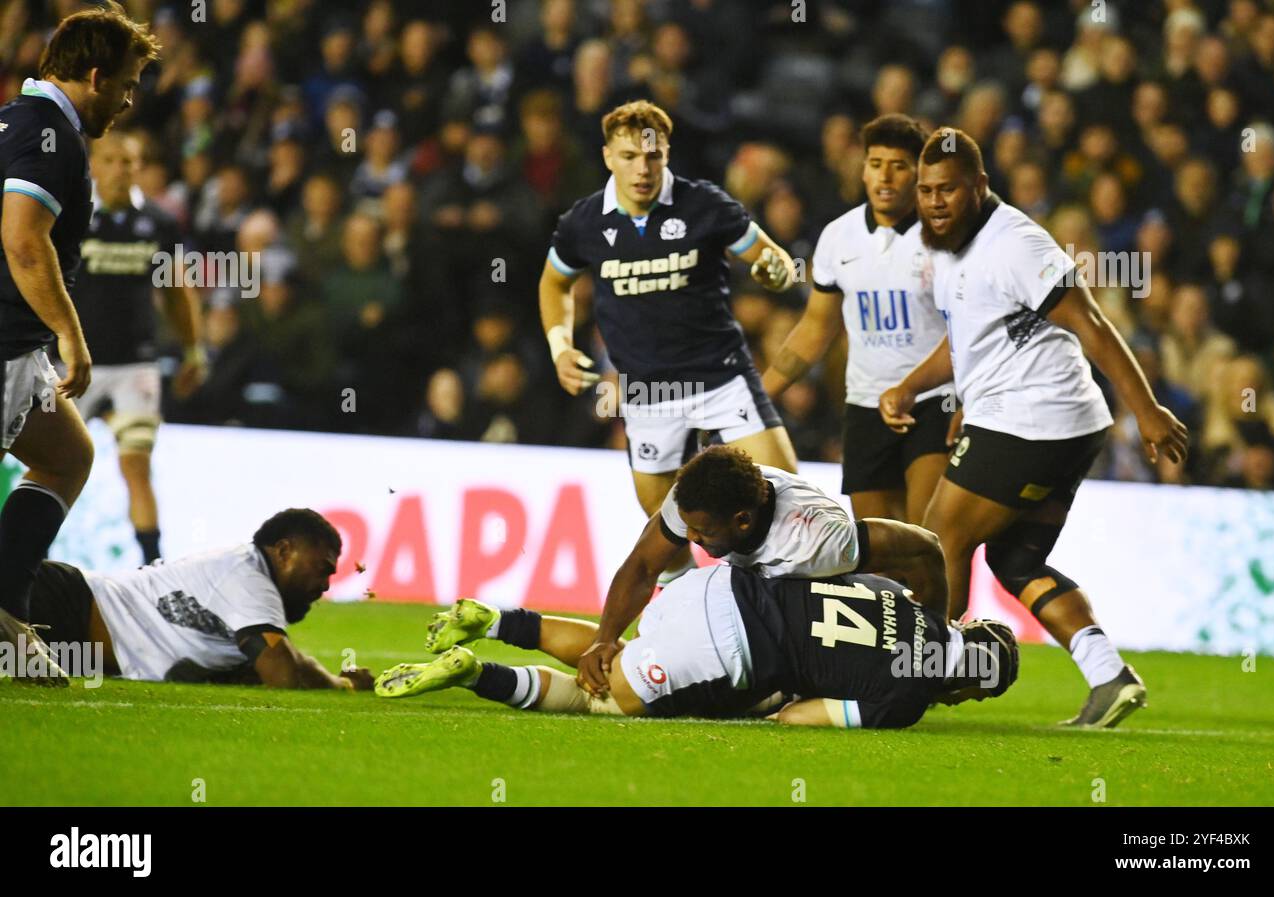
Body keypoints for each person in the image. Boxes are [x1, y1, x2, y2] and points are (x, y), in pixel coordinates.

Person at [880, 128, 1189, 727]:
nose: (935, 201)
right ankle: (1109, 677)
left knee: (941, 538)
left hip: (1034, 419)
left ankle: (924, 674)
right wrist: (916, 388)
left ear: (980, 187)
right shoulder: (950, 248)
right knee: (1016, 560)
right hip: (1050, 423)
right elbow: (973, 336)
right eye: (925, 190)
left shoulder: (1015, 242)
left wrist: (1146, 409)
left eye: (948, 189)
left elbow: (1091, 321)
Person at [374, 520, 1018, 730]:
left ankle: (497, 619)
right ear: (969, 687)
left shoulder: (894, 594)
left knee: (614, 651)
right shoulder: (908, 699)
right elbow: (795, 718)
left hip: (715, 584)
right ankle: (476, 672)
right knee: (602, 699)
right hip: (727, 647)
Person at [539, 99, 800, 591]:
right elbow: (553, 283)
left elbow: (774, 260)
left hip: (720, 376)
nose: (642, 168)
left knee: (785, 496)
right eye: (630, 156)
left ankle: (789, 611)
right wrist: (559, 345)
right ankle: (689, 611)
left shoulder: (706, 205)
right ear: (607, 157)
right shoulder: (584, 223)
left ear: (665, 154)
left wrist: (776, 271)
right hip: (649, 390)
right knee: (667, 523)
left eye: (652, 156)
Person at [0, 1, 160, 683]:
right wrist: (72, 333)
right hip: (7, 343)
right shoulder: (46, 133)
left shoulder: (24, 118)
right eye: (125, 86)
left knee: (68, 454)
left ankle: (6, 611)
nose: (127, 102)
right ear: (94, 75)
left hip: (18, 345)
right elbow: (23, 238)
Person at [576, 444, 951, 696]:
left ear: (742, 521)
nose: (689, 536)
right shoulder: (694, 499)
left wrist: (939, 633)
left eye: (702, 532)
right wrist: (605, 637)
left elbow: (925, 549)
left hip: (829, 602)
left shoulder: (818, 542)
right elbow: (642, 566)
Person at [763, 113, 955, 524]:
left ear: (918, 173)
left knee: (931, 538)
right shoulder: (838, 236)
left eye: (899, 165)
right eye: (875, 163)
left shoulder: (945, 237)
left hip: (934, 402)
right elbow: (815, 328)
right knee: (878, 545)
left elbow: (967, 331)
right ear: (863, 169)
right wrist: (761, 395)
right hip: (865, 405)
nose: (885, 176)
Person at [5, 508, 373, 691]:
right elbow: (283, 671)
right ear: (283, 550)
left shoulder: (245, 577)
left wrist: (340, 686)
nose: (325, 584)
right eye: (321, 567)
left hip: (72, 645)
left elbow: (291, 659)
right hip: (63, 604)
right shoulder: (249, 578)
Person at [68, 131, 207, 565]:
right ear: (94, 165)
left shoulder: (159, 223)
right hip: (76, 361)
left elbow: (175, 291)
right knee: (57, 466)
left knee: (136, 467)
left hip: (136, 364)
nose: (118, 169)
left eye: (127, 161)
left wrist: (193, 349)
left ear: (139, 167)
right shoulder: (71, 215)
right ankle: (24, 566)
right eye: (109, 160)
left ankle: (153, 568)